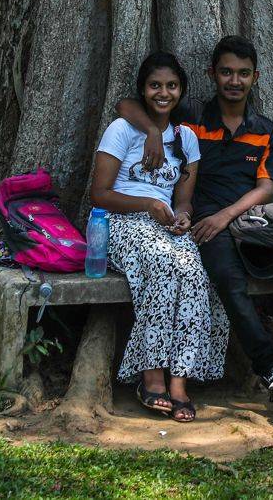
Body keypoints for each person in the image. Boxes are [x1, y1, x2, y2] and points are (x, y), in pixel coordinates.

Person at [117, 35, 273, 422]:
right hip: (206, 225)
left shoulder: (265, 130)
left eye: (243, 73)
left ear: (256, 77)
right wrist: (154, 132)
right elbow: (126, 105)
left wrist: (229, 215)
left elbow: (266, 185)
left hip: (253, 223)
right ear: (212, 75)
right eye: (226, 73)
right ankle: (271, 371)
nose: (234, 81)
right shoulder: (190, 121)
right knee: (229, 282)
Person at [90, 51, 229, 423]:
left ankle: (180, 383)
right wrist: (147, 204)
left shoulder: (185, 138)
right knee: (163, 266)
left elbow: (183, 202)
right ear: (143, 89)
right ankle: (151, 378)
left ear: (181, 91)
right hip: (121, 222)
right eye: (155, 85)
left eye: (171, 86)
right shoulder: (123, 129)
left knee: (193, 271)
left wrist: (183, 218)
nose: (162, 93)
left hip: (163, 225)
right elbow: (99, 194)